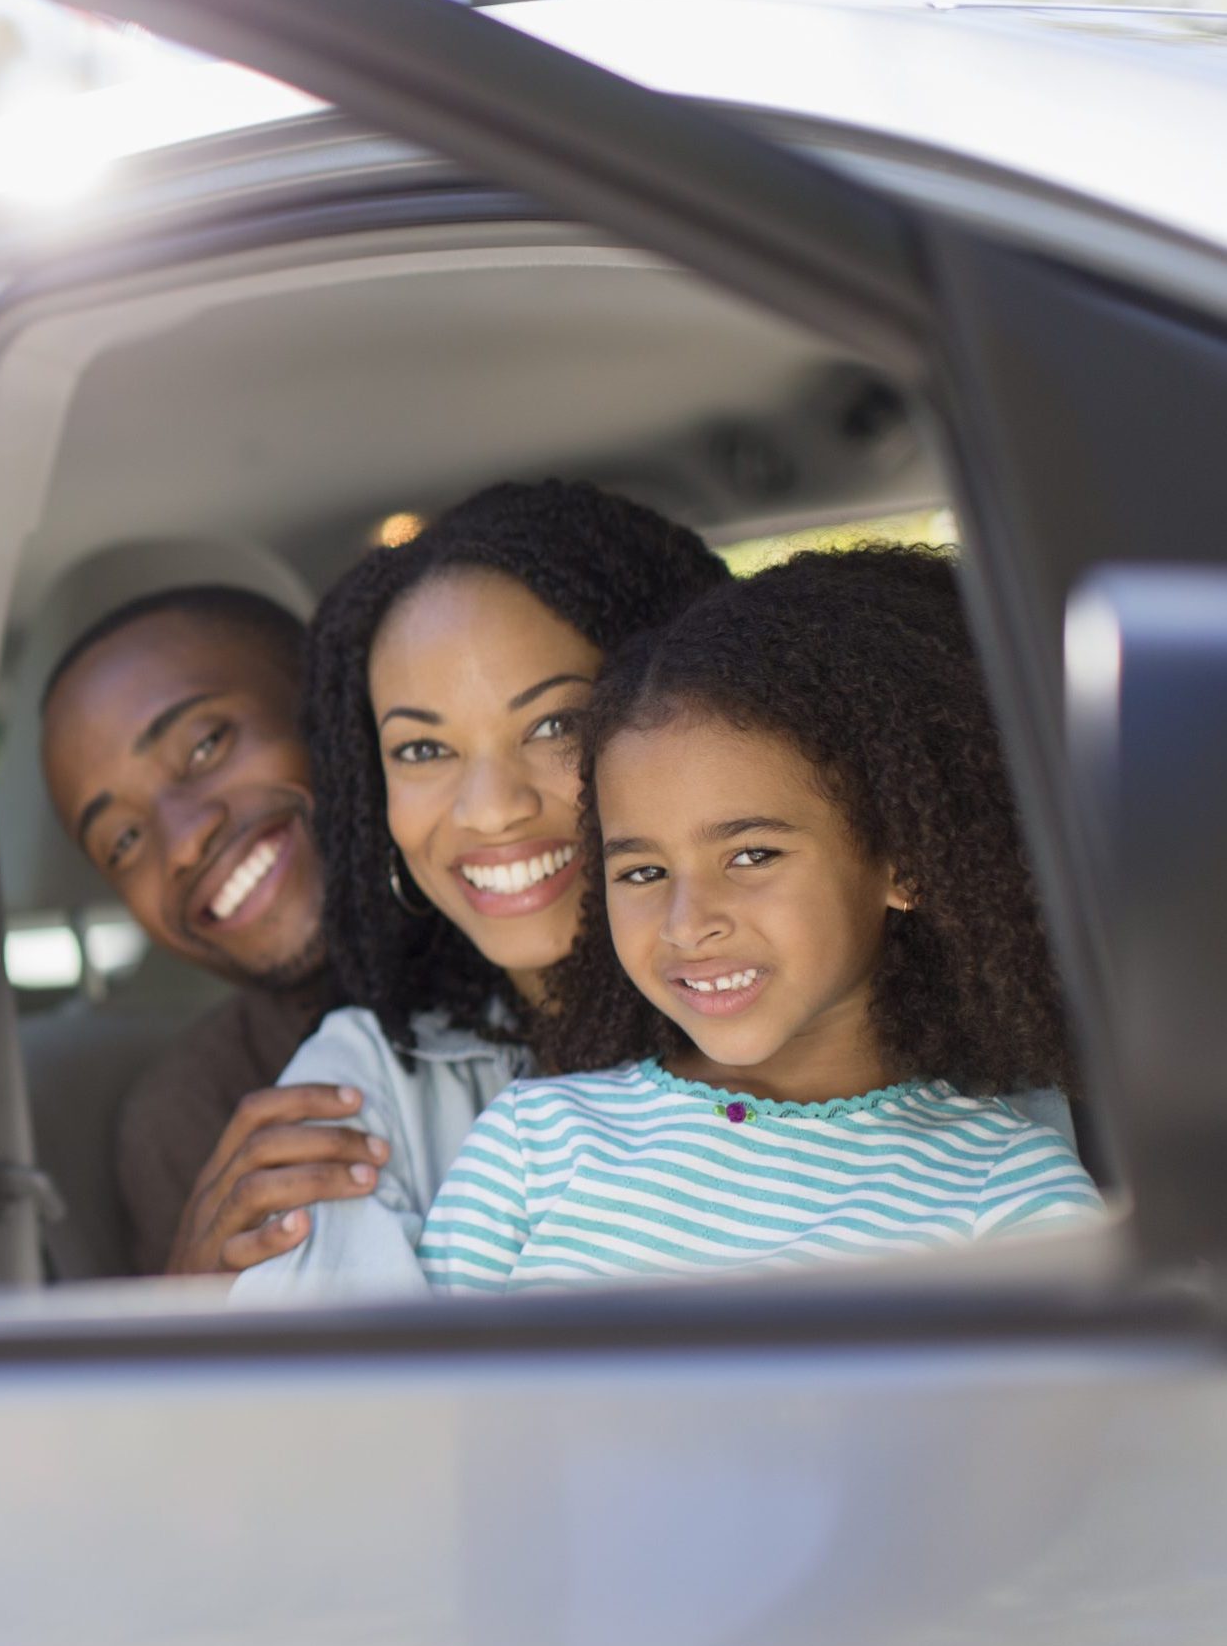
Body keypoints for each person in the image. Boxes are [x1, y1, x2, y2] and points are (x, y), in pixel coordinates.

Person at [418, 547, 1103, 1291]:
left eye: (750, 856)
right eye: (643, 872)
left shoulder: (1004, 1191)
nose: (688, 922)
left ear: (901, 862)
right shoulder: (535, 1142)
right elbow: (409, 1404)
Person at [231, 480, 730, 1298]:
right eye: (424, 751)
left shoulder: (863, 1027)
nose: (493, 809)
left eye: (555, 725)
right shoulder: (363, 1089)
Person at [40, 584, 379, 1275]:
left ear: (330, 700)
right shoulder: (187, 1122)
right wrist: (193, 1307)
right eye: (125, 839)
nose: (185, 842)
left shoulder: (582, 956)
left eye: (205, 747)